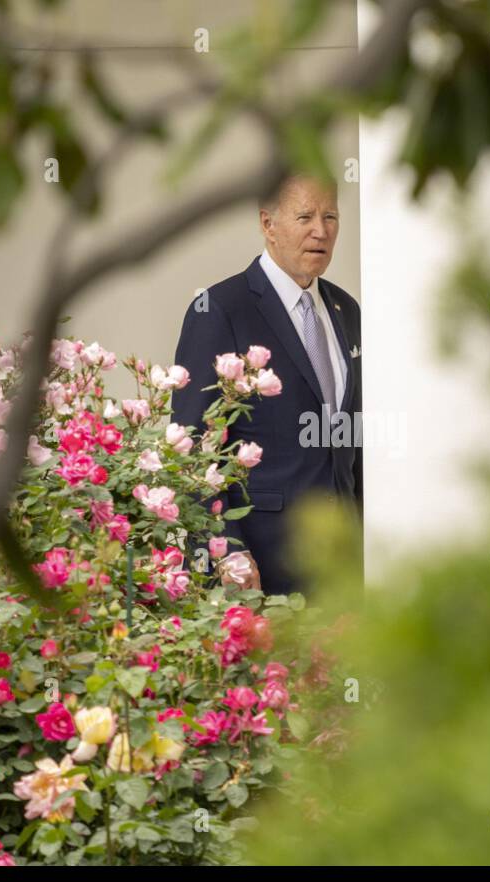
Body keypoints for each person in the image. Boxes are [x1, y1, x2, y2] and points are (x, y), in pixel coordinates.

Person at [171, 174, 362, 594]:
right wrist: (226, 551)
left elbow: (353, 440)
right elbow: (193, 448)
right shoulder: (221, 310)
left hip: (340, 570)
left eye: (331, 216)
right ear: (268, 223)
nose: (321, 230)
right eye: (305, 216)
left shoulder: (346, 311)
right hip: (259, 569)